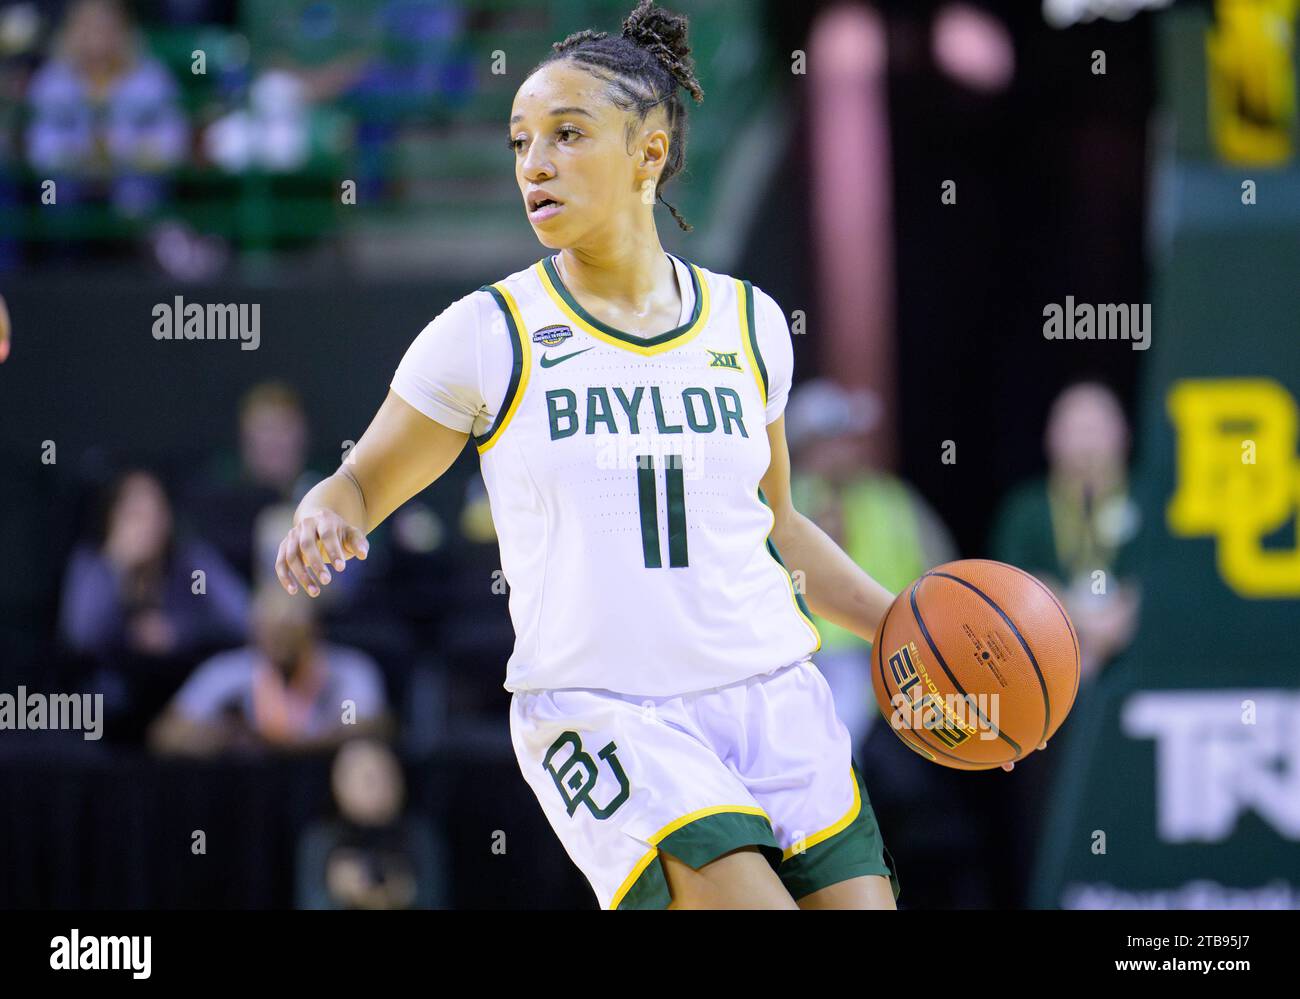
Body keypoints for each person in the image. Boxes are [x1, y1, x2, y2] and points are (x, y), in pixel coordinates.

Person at [274, 1, 1045, 911]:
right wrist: (328, 507)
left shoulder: (749, 323)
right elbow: (362, 479)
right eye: (521, 141)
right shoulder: (489, 334)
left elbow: (779, 527)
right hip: (609, 710)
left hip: (771, 692)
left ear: (649, 151)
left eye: (567, 134)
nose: (535, 163)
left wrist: (901, 630)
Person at [991, 379, 1141, 683]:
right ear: (1050, 437)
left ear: (1124, 434)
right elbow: (1010, 582)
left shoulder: (1150, 503)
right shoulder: (1026, 508)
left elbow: (1161, 576)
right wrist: (1079, 621)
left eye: (1096, 429)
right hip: (1044, 664)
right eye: (1075, 430)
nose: (1086, 443)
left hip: (1136, 663)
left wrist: (1117, 624)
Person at [148, 583, 390, 756]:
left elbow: (374, 727)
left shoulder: (349, 669)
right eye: (271, 629)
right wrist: (224, 735)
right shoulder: (225, 673)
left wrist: (289, 747)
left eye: (290, 627)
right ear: (255, 631)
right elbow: (166, 735)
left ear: (315, 629)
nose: (280, 639)